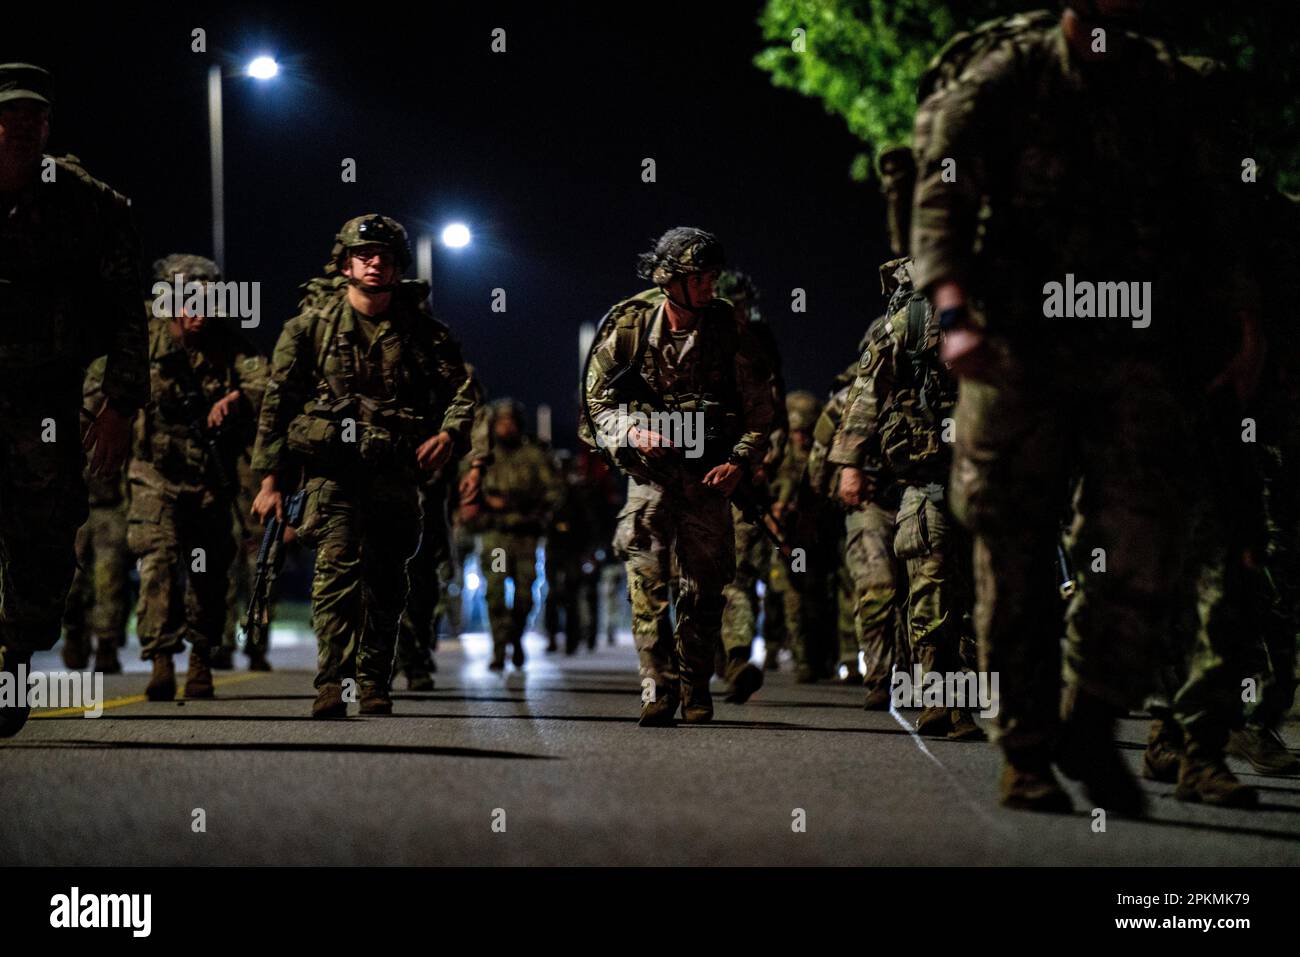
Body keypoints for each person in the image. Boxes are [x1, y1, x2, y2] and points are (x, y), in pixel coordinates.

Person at [911, 0, 1261, 811]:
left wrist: (1243, 323)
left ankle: (1092, 718)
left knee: (1144, 547)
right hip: (1017, 349)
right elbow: (941, 192)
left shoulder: (1168, 87)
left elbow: (1218, 215)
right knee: (1014, 552)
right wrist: (955, 313)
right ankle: (1027, 752)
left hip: (1134, 351)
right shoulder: (1008, 78)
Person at [251, 214, 478, 717]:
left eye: (386, 257)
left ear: (398, 268)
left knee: (388, 578)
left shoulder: (423, 333)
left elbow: (463, 391)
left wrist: (449, 433)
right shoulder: (310, 328)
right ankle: (332, 681)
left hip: (396, 472)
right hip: (333, 472)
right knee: (335, 572)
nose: (375, 264)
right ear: (346, 263)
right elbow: (278, 405)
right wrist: (269, 482)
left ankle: (373, 679)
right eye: (365, 255)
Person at [0, 64, 147, 736]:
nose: (22, 128)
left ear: (47, 125)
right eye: (10, 115)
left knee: (46, 537)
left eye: (35, 117)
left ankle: (17, 651)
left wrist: (119, 401)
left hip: (46, 398)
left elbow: (126, 311)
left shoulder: (83, 201)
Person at [583, 227, 775, 726]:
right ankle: (657, 687)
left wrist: (739, 462)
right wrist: (633, 433)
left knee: (705, 588)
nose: (711, 285)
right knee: (645, 581)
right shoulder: (628, 327)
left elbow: (760, 413)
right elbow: (596, 403)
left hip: (707, 477)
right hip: (650, 475)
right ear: (672, 280)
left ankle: (695, 686)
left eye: (713, 276)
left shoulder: (729, 330)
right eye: (701, 277)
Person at [129, 254, 268, 701]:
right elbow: (100, 387)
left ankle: (201, 656)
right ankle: (161, 657)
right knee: (158, 561)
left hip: (209, 477)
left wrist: (236, 398)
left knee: (208, 571)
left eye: (208, 300)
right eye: (189, 300)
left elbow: (265, 383)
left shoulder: (228, 345)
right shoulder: (141, 341)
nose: (199, 310)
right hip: (155, 474)